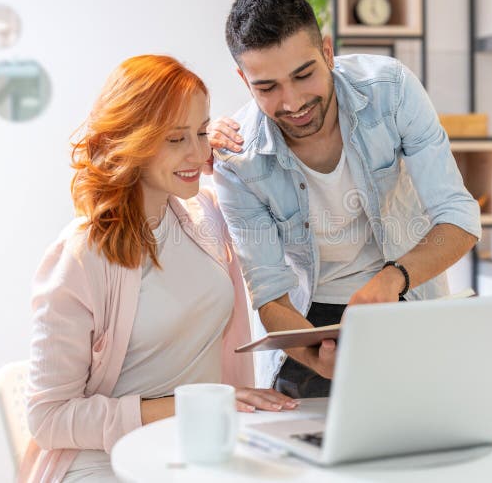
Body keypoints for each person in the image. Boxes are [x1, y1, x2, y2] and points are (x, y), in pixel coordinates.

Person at [19, 55, 297, 483]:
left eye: (202, 132)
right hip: (104, 460)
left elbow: (283, 207)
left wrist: (219, 156)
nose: (198, 151)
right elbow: (48, 417)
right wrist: (190, 404)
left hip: (197, 449)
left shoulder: (205, 216)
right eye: (175, 138)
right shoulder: (80, 255)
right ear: (134, 141)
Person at [209, 0, 482, 398]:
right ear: (244, 81)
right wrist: (318, 356)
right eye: (267, 88)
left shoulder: (391, 91)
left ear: (328, 51)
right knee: (308, 455)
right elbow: (270, 298)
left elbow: (458, 218)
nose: (293, 102)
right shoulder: (237, 161)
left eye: (304, 75)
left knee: (424, 448)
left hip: (406, 296)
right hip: (307, 330)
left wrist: (394, 278)